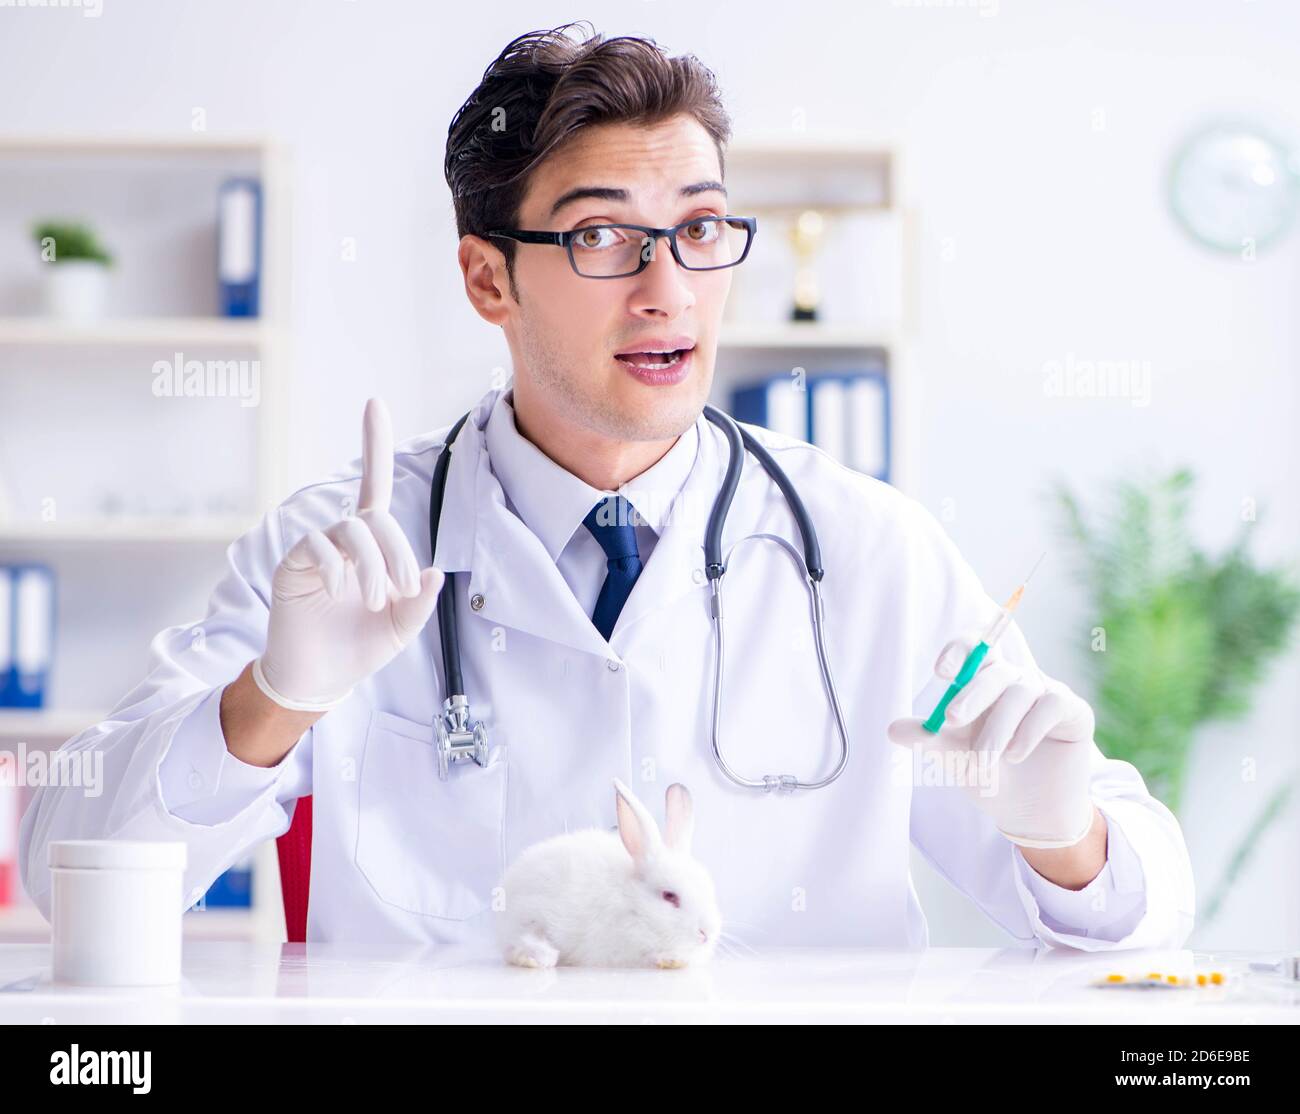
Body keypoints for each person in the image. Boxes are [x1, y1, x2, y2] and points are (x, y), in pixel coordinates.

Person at [20, 23, 1194, 952]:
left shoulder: (865, 545)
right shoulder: (343, 547)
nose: (666, 289)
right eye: (600, 238)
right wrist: (269, 702)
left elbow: (1142, 919)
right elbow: (72, 876)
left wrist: (1068, 839)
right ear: (488, 278)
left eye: (697, 229)